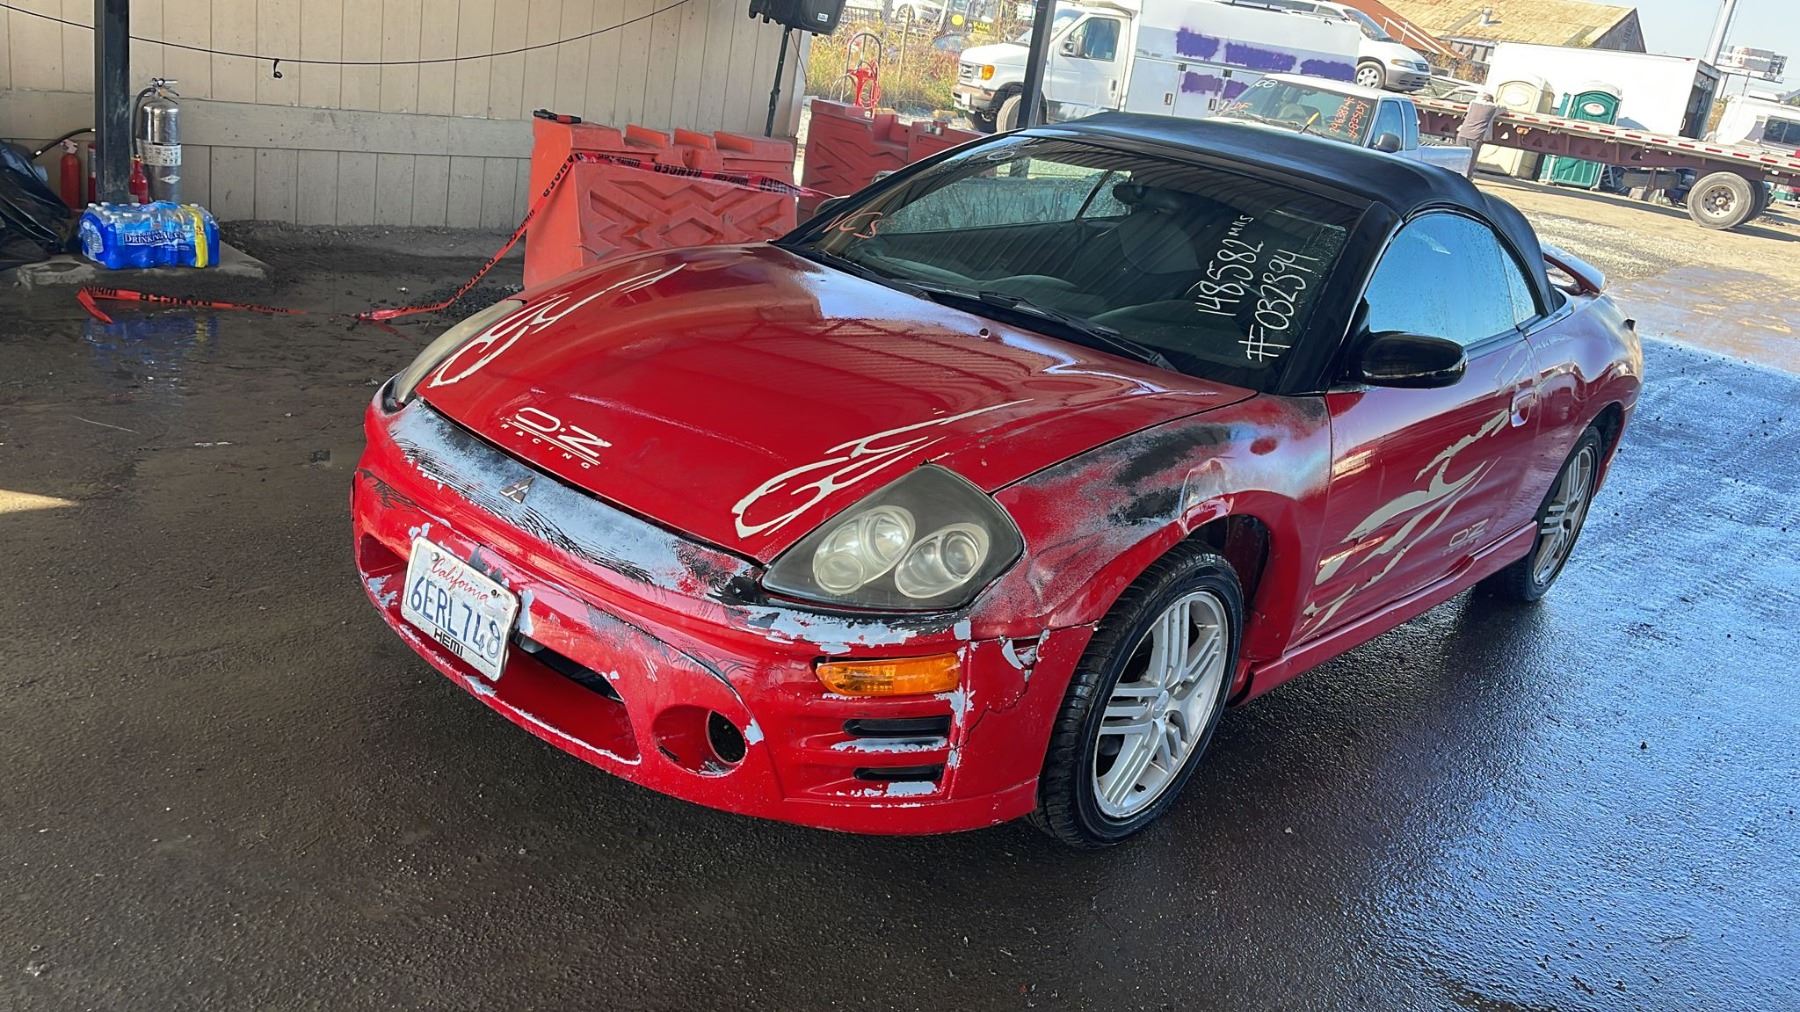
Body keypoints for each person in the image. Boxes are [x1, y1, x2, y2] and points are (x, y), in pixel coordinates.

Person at [1456, 91, 1500, 179]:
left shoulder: (1473, 103)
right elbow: (1503, 108)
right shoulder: (1493, 108)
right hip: (1475, 136)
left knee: (1458, 156)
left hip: (1462, 133)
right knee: (1471, 159)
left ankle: (1455, 174)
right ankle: (1467, 177)